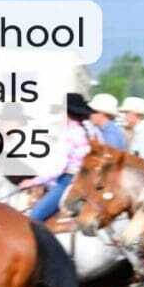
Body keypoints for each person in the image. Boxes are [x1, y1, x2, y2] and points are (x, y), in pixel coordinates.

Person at [20, 93, 101, 221]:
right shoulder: (92, 132)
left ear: (66, 114)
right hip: (89, 180)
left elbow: (57, 168)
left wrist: (34, 181)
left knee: (34, 217)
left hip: (69, 180)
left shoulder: (69, 135)